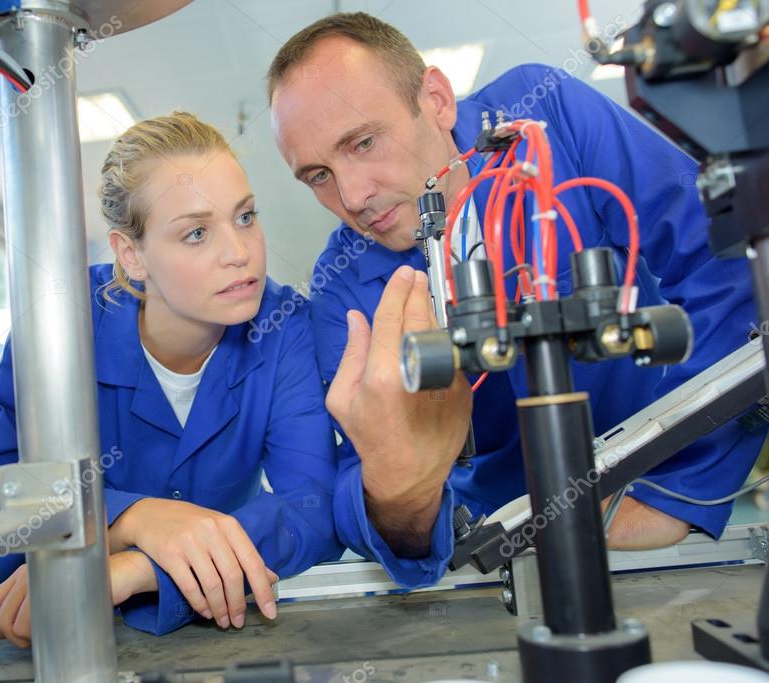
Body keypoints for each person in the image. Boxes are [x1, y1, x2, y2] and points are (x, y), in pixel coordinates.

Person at [265, 12, 766, 588]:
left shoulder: (546, 116)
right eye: (318, 175)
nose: (352, 197)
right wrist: (406, 495)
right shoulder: (341, 286)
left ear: (436, 99)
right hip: (503, 552)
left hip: (651, 517)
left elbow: (723, 258)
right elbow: (364, 488)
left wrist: (677, 490)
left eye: (364, 142)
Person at [0, 112, 342, 649]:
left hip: (219, 632)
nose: (239, 252)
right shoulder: (59, 328)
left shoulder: (284, 326)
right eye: (197, 232)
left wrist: (135, 565)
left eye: (245, 217)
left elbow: (314, 510)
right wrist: (130, 518)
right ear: (131, 254)